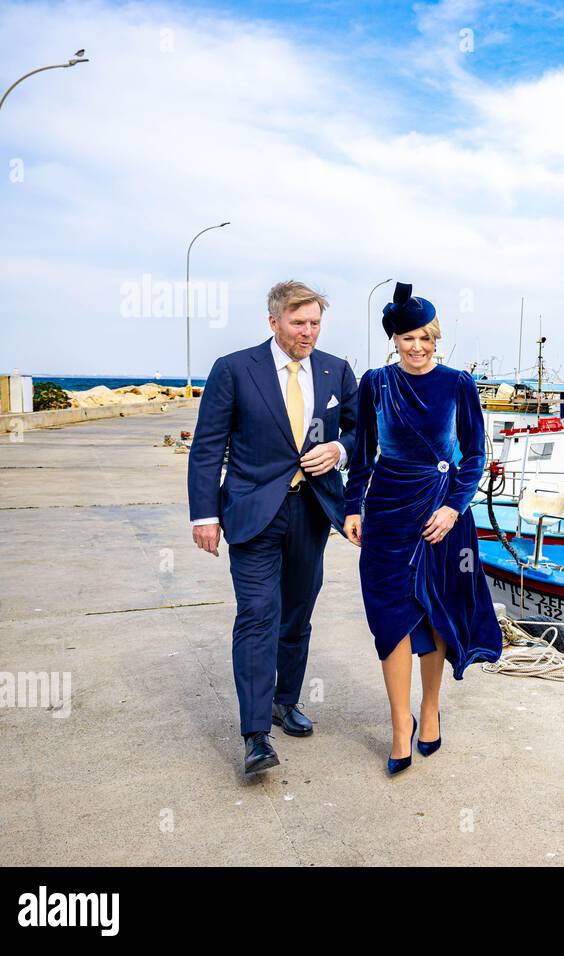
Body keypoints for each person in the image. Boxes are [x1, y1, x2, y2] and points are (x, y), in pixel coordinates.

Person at [187, 281, 358, 775]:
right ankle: (256, 733)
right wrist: (204, 515)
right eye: (298, 322)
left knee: (297, 615)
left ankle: (286, 701)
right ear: (274, 322)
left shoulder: (335, 370)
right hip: (252, 513)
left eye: (314, 323)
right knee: (259, 613)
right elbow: (207, 446)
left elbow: (356, 429)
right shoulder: (235, 369)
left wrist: (339, 450)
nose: (308, 332)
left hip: (312, 512)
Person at [343, 282, 502, 776]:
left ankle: (430, 708)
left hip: (441, 516)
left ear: (437, 339)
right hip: (388, 515)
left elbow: (475, 455)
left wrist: (454, 506)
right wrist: (353, 507)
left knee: (436, 614)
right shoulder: (375, 382)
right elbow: (362, 450)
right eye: (407, 338)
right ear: (394, 339)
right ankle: (398, 723)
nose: (416, 347)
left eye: (425, 338)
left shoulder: (458, 384)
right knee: (389, 621)